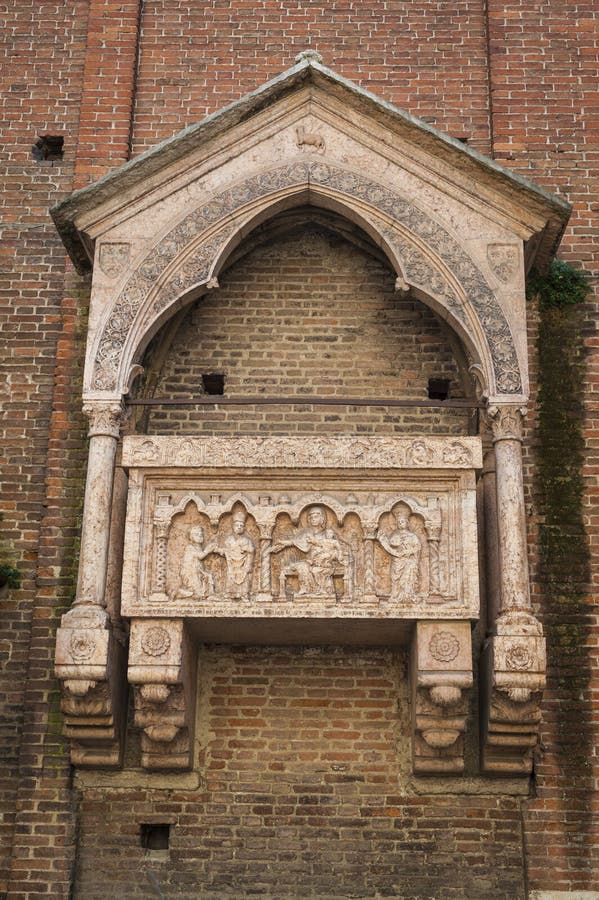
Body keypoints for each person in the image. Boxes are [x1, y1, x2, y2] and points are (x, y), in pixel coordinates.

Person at [271, 505, 350, 598]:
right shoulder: (306, 533)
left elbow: (337, 547)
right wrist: (281, 543)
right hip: (310, 561)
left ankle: (322, 591)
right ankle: (306, 590)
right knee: (302, 566)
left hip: (325, 562)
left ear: (322, 518)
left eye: (316, 516)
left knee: (319, 569)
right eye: (311, 517)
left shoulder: (329, 533)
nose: (313, 519)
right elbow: (294, 542)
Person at [377, 505, 421, 601]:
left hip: (409, 562)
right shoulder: (394, 535)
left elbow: (417, 548)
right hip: (397, 562)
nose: (401, 524)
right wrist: (382, 539)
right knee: (396, 579)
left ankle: (409, 596)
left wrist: (407, 552)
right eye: (399, 522)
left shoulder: (412, 536)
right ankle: (396, 596)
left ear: (407, 523)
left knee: (408, 579)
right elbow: (390, 546)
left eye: (402, 522)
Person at [213, 510, 256, 600]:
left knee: (244, 579)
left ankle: (244, 595)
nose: (239, 527)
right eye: (237, 525)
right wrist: (219, 550)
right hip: (231, 564)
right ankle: (230, 594)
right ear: (233, 527)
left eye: (241, 526)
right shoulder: (229, 539)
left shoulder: (247, 540)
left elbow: (252, 550)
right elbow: (226, 551)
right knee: (231, 577)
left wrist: (247, 550)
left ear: (244, 528)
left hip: (243, 565)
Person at [174, 525, 215, 600]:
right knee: (197, 592)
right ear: (191, 537)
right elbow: (200, 556)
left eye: (201, 534)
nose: (200, 535)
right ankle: (182, 593)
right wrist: (208, 550)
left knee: (208, 577)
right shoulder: (190, 547)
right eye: (196, 534)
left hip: (198, 571)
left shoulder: (199, 547)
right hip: (190, 573)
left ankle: (208, 594)